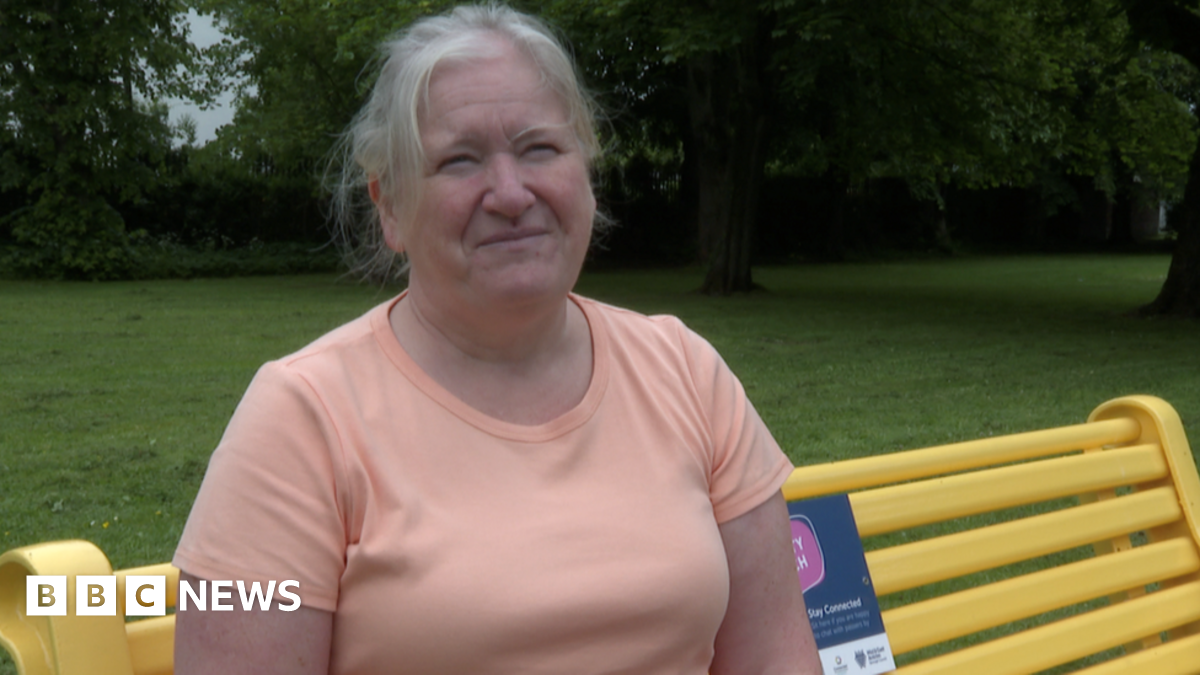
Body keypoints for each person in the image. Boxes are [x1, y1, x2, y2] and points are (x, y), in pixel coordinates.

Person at [172, 4, 821, 674]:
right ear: (390, 205)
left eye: (540, 148)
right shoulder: (301, 418)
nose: (511, 193)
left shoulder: (685, 370)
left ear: (587, 176)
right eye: (460, 160)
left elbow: (776, 656)